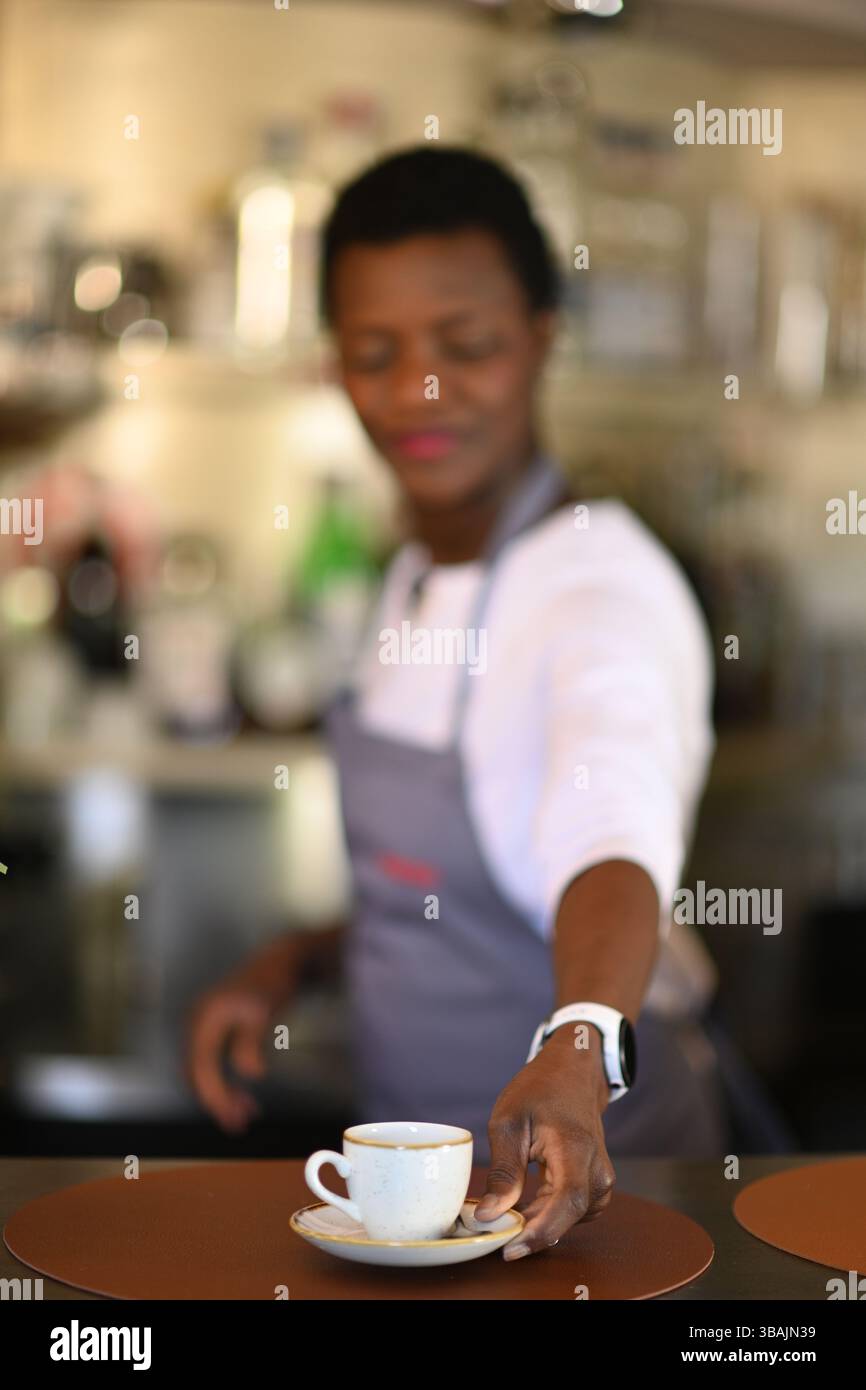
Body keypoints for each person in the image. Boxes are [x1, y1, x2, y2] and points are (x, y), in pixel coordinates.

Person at [188, 144, 734, 1260]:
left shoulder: (598, 585)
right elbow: (451, 890)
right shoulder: (409, 575)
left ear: (542, 336)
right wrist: (298, 956)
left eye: (466, 347)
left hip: (591, 1217)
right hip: (426, 1225)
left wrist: (579, 1040)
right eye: (374, 353)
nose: (417, 394)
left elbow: (608, 834)